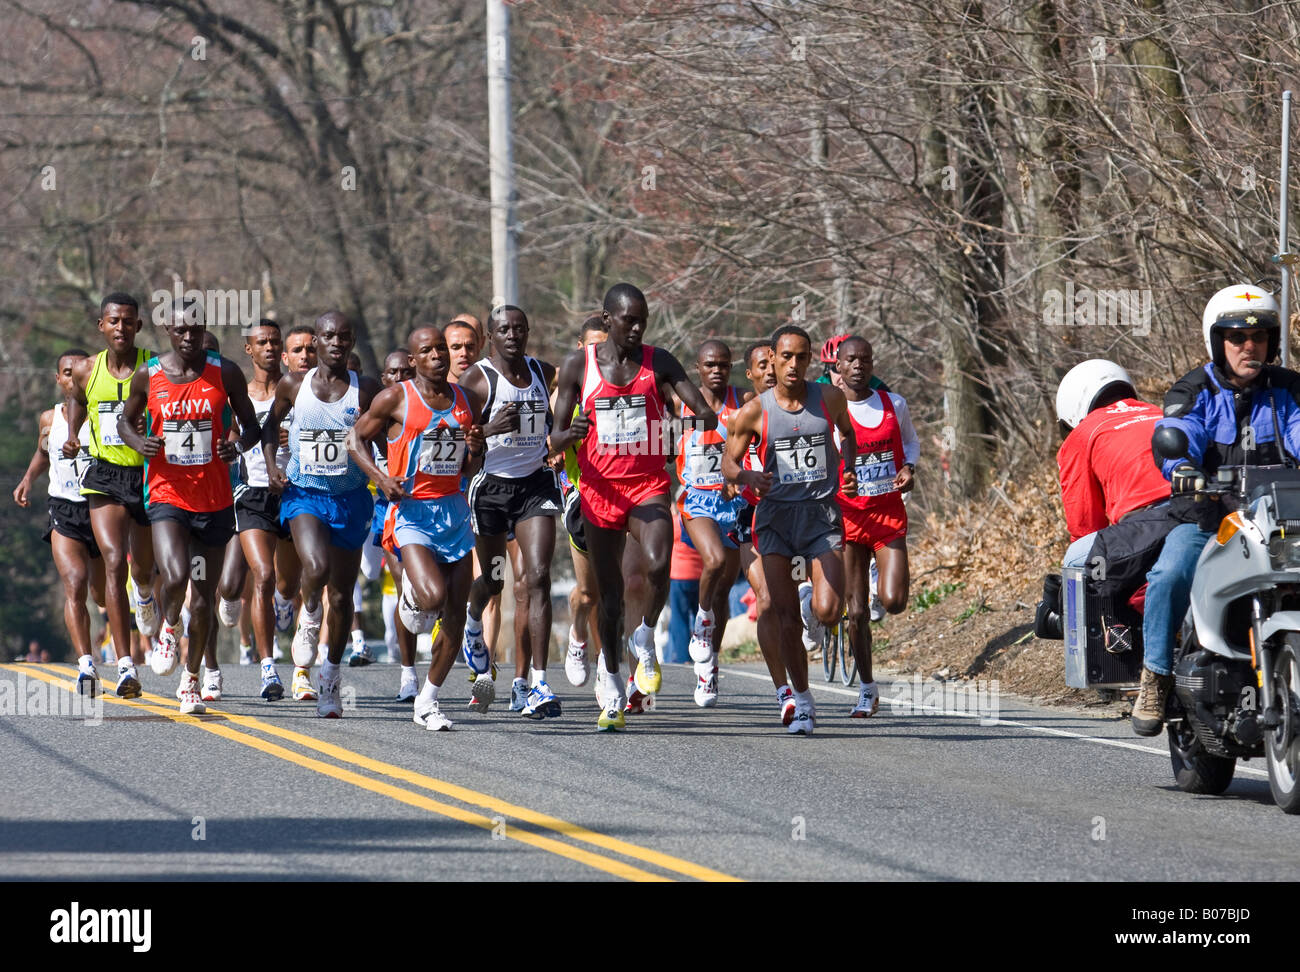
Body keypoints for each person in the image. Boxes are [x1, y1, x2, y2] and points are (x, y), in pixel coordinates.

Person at [551, 283, 718, 730]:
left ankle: (645, 633)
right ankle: (611, 681)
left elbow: (703, 410)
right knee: (607, 599)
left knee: (658, 563)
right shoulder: (577, 366)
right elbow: (554, 437)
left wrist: (686, 420)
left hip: (646, 486)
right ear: (607, 321)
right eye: (629, 320)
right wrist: (573, 431)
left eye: (643, 319)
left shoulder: (657, 361)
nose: (638, 327)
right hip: (599, 492)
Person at [1136, 284, 1300, 736]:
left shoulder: (1288, 389)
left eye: (1260, 338)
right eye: (1237, 338)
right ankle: (1155, 676)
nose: (1250, 347)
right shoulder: (1193, 389)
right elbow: (1176, 432)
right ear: (1217, 341)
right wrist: (1182, 464)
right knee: (1170, 575)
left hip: (1280, 521)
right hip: (1210, 519)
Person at [117, 299, 261, 713]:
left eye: (195, 330)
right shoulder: (152, 373)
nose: (188, 337)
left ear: (204, 329)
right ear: (167, 331)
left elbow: (252, 427)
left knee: (203, 599)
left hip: (214, 501)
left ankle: (192, 681)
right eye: (180, 330)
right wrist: (137, 442)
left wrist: (236, 446)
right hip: (167, 494)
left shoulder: (225, 372)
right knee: (176, 574)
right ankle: (168, 626)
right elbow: (126, 421)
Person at [347, 325, 485, 732]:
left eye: (441, 348)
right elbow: (354, 439)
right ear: (413, 360)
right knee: (433, 598)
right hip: (411, 512)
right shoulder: (394, 398)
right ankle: (413, 596)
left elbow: (469, 466)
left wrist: (475, 449)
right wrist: (381, 477)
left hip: (454, 512)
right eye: (428, 351)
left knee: (455, 617)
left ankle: (427, 700)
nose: (439, 356)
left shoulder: (466, 400)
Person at [723, 324, 858, 735]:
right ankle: (802, 700)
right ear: (774, 360)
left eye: (802, 357)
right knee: (783, 618)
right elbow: (728, 464)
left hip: (821, 515)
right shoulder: (755, 411)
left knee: (830, 609)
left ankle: (812, 607)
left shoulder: (829, 397)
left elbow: (848, 434)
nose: (794, 365)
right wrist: (748, 476)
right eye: (786, 357)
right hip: (776, 518)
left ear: (811, 359)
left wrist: (847, 466)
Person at [263, 311, 380, 717]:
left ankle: (330, 676)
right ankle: (309, 615)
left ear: (350, 342)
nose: (337, 343)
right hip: (304, 494)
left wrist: (388, 475)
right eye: (329, 336)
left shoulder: (364, 389)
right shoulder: (295, 384)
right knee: (314, 567)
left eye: (344, 337)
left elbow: (385, 434)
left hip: (350, 497)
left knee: (344, 594)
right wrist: (273, 464)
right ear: (316, 340)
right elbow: (269, 425)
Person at [458, 306, 564, 718]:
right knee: (494, 582)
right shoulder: (478, 380)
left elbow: (564, 405)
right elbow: (454, 431)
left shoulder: (542, 372)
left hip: (535, 487)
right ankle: (472, 617)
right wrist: (488, 430)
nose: (513, 335)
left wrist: (560, 442)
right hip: (491, 490)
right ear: (490, 337)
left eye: (520, 328)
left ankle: (534, 683)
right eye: (504, 329)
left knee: (536, 578)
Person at [63, 293, 158, 699]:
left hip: (150, 474)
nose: (121, 328)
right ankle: (125, 666)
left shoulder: (154, 367)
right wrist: (71, 433)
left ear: (138, 326)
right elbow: (76, 400)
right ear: (101, 326)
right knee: (115, 561)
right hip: (104, 474)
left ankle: (147, 596)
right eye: (114, 321)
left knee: (146, 571)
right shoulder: (87, 370)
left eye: (129, 321)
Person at [13, 348, 106, 694]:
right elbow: (41, 451)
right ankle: (86, 666)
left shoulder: (100, 415)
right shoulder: (48, 419)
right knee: (75, 584)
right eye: (66, 373)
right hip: (63, 509)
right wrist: (27, 480)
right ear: (58, 379)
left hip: (100, 508)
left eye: (78, 373)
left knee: (102, 596)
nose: (72, 379)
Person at [833, 337, 918, 718]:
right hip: (849, 518)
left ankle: (878, 577)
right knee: (855, 612)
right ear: (838, 365)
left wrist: (908, 469)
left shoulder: (893, 404)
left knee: (894, 601)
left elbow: (911, 444)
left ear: (872, 363)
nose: (857, 366)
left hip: (886, 516)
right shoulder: (829, 411)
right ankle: (867, 688)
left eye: (864, 359)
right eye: (850, 360)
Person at [215, 319, 298, 701]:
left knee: (288, 585)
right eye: (261, 342)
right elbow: (232, 436)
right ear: (248, 349)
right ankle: (268, 669)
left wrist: (291, 435)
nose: (268, 347)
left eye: (274, 342)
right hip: (252, 494)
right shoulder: (240, 394)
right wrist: (236, 444)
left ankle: (284, 604)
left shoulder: (298, 389)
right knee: (262, 575)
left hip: (295, 493)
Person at [676, 339, 753, 706]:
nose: (717, 370)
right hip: (697, 501)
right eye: (710, 365)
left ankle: (710, 667)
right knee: (716, 562)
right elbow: (660, 442)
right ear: (698, 368)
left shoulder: (746, 400)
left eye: (724, 364)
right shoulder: (682, 402)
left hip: (734, 504)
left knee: (724, 589)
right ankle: (701, 622)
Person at [737, 340, 794, 724]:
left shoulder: (799, 410)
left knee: (798, 603)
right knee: (768, 600)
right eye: (763, 365)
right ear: (752, 374)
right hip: (753, 517)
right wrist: (739, 479)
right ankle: (783, 691)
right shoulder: (744, 415)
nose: (771, 371)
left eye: (775, 363)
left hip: (799, 514)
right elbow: (726, 465)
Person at [359, 348, 419, 700]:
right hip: (388, 508)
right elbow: (355, 440)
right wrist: (379, 476)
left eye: (405, 372)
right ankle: (408, 674)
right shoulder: (378, 412)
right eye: (392, 373)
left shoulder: (426, 407)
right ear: (384, 379)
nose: (399, 379)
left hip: (434, 506)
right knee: (403, 588)